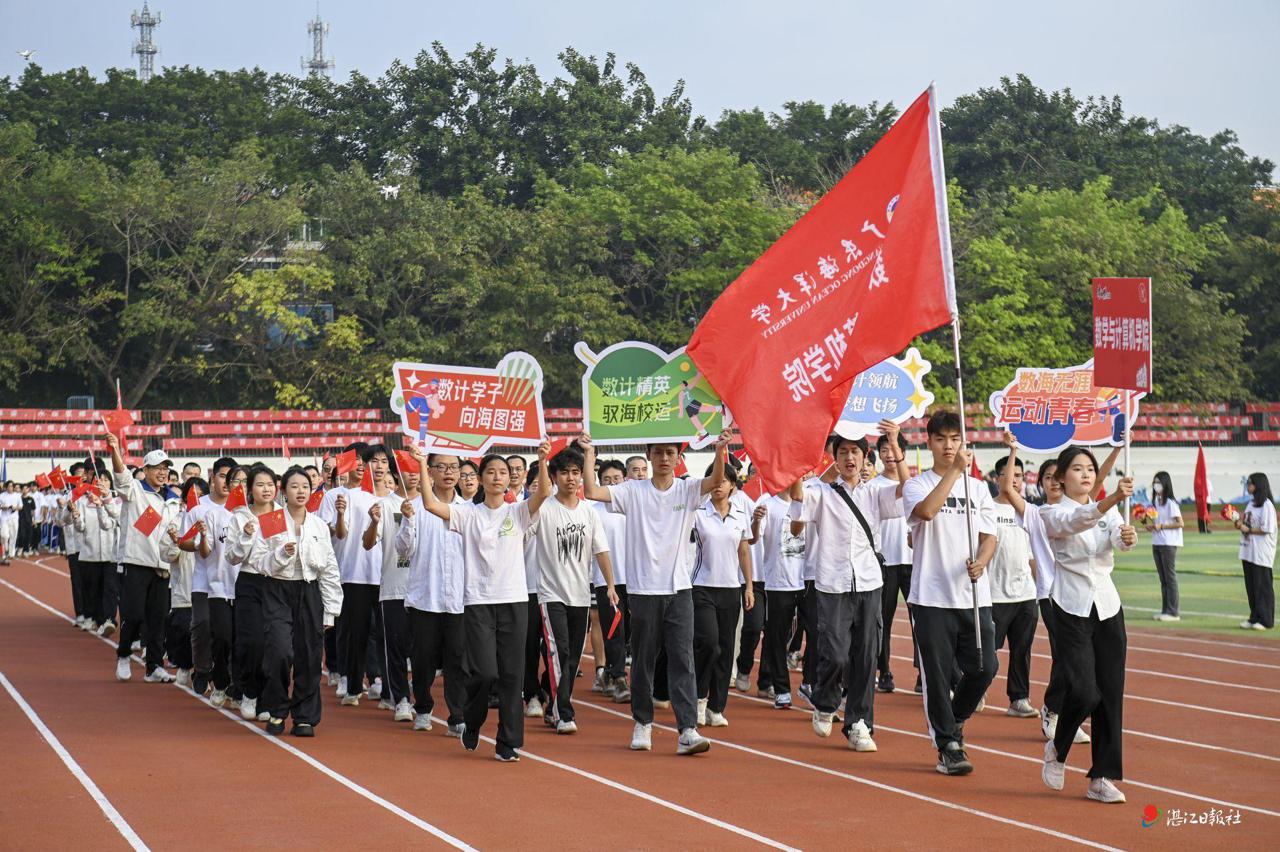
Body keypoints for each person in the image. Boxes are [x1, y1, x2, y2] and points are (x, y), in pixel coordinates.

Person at [582, 431, 732, 756]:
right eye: (658, 452)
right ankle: (642, 722)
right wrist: (590, 452)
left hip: (679, 590)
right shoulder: (632, 491)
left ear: (678, 458)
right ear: (648, 456)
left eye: (670, 453)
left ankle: (687, 729)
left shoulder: (688, 489)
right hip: (643, 589)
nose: (664, 458)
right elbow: (592, 490)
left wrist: (720, 450)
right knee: (643, 661)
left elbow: (715, 481)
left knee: (683, 659)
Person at [416, 444, 551, 762]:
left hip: (514, 601)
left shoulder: (517, 511)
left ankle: (508, 742)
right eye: (490, 472)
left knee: (511, 676)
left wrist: (543, 461)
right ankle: (473, 721)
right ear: (478, 478)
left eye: (502, 472)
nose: (497, 477)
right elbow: (430, 504)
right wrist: (423, 465)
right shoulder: (468, 514)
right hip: (477, 602)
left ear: (508, 481)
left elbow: (544, 492)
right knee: (484, 673)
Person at [788, 421, 907, 752]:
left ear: (866, 457)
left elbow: (904, 489)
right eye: (843, 452)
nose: (850, 458)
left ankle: (859, 724)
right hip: (833, 583)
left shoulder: (876, 493)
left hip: (869, 582)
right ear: (834, 458)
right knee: (836, 654)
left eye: (855, 451)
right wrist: (797, 460)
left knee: (866, 657)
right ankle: (825, 701)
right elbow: (798, 499)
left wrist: (894, 443)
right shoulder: (821, 493)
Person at [902, 411, 997, 776]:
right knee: (938, 676)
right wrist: (956, 471)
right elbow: (926, 512)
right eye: (941, 439)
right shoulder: (917, 484)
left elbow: (990, 536)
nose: (949, 446)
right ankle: (947, 745)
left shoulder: (978, 489)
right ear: (929, 443)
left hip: (973, 595)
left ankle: (956, 718)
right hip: (932, 596)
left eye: (955, 439)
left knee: (985, 666)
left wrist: (983, 561)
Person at [1039, 447, 1136, 805]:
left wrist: (1125, 538)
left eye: (1090, 469)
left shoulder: (1106, 513)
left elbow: (1112, 542)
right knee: (1083, 691)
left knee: (1110, 695)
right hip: (1070, 607)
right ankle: (1058, 747)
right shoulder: (1052, 513)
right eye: (1077, 469)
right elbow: (1077, 522)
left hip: (1108, 607)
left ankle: (1102, 778)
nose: (1085, 474)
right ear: (1061, 477)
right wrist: (1111, 499)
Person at [1000, 434, 1093, 747]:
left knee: (1078, 658)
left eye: (1058, 477)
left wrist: (1118, 448)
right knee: (1067, 656)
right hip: (1052, 595)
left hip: (1082, 593)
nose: (1054, 482)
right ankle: (1054, 710)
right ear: (1041, 483)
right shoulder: (1038, 514)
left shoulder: (1081, 513)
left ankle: (1065, 713)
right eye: (1048, 478)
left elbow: (1099, 480)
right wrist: (1014, 450)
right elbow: (1008, 491)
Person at [531, 444, 618, 733]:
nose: (571, 478)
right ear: (554, 476)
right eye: (565, 472)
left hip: (580, 594)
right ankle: (563, 712)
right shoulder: (543, 508)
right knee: (560, 650)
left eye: (576, 472)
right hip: (550, 594)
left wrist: (610, 585)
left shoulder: (589, 513)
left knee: (569, 657)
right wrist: (543, 461)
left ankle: (550, 695)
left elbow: (601, 550)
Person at [259, 466, 343, 736]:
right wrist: (281, 554)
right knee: (279, 651)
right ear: (283, 491)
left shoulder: (319, 525)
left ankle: (305, 716)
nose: (300, 491)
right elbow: (260, 562)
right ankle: (276, 710)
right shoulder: (271, 520)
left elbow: (329, 568)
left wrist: (330, 610)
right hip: (277, 590)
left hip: (309, 592)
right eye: (294, 486)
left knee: (309, 654)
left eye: (305, 486)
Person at [397, 452, 468, 735]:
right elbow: (403, 550)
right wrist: (408, 521)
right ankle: (423, 708)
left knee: (457, 661)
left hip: (459, 599)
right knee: (424, 659)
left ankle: (457, 715)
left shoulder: (470, 509)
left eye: (454, 467)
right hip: (425, 597)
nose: (448, 472)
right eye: (442, 467)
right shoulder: (414, 507)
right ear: (430, 471)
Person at [106, 432, 182, 683]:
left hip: (162, 566)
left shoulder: (173, 500)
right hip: (136, 562)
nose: (162, 473)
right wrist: (115, 449)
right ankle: (124, 654)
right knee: (134, 614)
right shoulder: (135, 490)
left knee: (158, 619)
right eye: (156, 468)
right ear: (145, 469)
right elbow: (120, 475)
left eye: (165, 468)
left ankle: (153, 667)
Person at [692, 463, 753, 727]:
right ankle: (698, 699)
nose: (718, 485)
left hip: (730, 588)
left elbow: (743, 552)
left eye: (724, 480)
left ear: (732, 485)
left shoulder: (740, 514)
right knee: (708, 643)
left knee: (727, 649)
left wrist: (748, 586)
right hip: (701, 587)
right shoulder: (697, 513)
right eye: (714, 480)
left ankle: (716, 708)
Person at [365, 452, 419, 722]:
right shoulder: (384, 505)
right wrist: (374, 523)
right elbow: (367, 542)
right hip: (394, 588)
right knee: (395, 649)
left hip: (424, 590)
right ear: (396, 475)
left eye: (416, 468)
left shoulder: (432, 505)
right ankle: (400, 699)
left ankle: (420, 696)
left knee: (421, 651)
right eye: (406, 469)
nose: (412, 474)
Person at [180, 457, 239, 702]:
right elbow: (184, 541)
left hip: (236, 582)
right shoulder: (198, 508)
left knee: (231, 634)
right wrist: (202, 541)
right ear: (212, 477)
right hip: (205, 579)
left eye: (232, 478)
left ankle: (231, 679)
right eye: (223, 476)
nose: (227, 482)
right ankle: (203, 669)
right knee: (203, 625)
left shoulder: (243, 508)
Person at [226, 464, 279, 721]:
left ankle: (268, 697)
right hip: (250, 583)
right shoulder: (239, 517)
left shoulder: (284, 515)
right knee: (253, 642)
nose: (266, 489)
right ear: (249, 490)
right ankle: (250, 691)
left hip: (279, 583)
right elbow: (232, 557)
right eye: (260, 484)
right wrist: (246, 536)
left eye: (270, 484)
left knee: (276, 645)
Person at [991, 452, 1040, 718]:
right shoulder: (986, 509)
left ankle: (1018, 698)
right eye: (1010, 475)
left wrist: (1040, 587)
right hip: (995, 594)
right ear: (998, 478)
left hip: (1025, 594)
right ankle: (975, 688)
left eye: (1020, 476)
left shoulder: (1029, 512)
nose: (1016, 480)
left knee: (1022, 650)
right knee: (987, 651)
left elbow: (1033, 554)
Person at [874, 430, 916, 694]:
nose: (889, 455)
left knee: (921, 621)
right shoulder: (873, 486)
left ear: (903, 453)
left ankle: (924, 673)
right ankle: (884, 670)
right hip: (885, 562)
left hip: (913, 562)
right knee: (883, 621)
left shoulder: (915, 484)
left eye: (894, 449)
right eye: (885, 450)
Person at [592, 459, 631, 702]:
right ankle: (617, 677)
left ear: (625, 480)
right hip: (606, 581)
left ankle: (610, 672)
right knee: (614, 629)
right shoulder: (593, 510)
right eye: (607, 480)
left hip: (636, 579)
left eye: (617, 479)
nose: (612, 483)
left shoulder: (634, 506)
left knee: (630, 631)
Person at [160, 477, 203, 688]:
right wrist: (177, 542)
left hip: (208, 588)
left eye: (201, 496)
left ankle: (205, 672)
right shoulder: (177, 522)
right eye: (192, 496)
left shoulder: (212, 519)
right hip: (184, 588)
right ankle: (185, 665)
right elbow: (166, 555)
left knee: (207, 632)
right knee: (183, 631)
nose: (196, 500)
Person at [74, 465, 118, 636]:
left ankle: (107, 619)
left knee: (109, 589)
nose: (103, 483)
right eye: (99, 480)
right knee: (92, 589)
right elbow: (80, 527)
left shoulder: (116, 500)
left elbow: (112, 523)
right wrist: (77, 518)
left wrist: (104, 504)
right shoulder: (84, 502)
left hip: (110, 554)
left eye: (106, 480)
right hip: (89, 553)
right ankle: (91, 617)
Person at [1236, 473, 1276, 630]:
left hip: (1261, 553)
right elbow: (1246, 522)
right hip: (1248, 551)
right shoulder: (1251, 504)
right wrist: (1239, 524)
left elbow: (1267, 528)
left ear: (1258, 485)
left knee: (1262, 586)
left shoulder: (1267, 505)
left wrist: (1249, 529)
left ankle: (1266, 620)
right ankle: (1254, 617)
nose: (1248, 485)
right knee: (1251, 586)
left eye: (1250, 483)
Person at [1144, 471, 1183, 622]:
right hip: (1157, 542)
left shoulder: (1170, 503)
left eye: (1159, 482)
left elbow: (1180, 523)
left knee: (1170, 577)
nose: (1156, 485)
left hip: (1168, 543)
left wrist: (1162, 526)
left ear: (1166, 484)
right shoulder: (1156, 503)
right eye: (1154, 482)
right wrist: (1152, 526)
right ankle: (1165, 610)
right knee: (1163, 579)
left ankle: (1173, 612)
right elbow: (1156, 523)